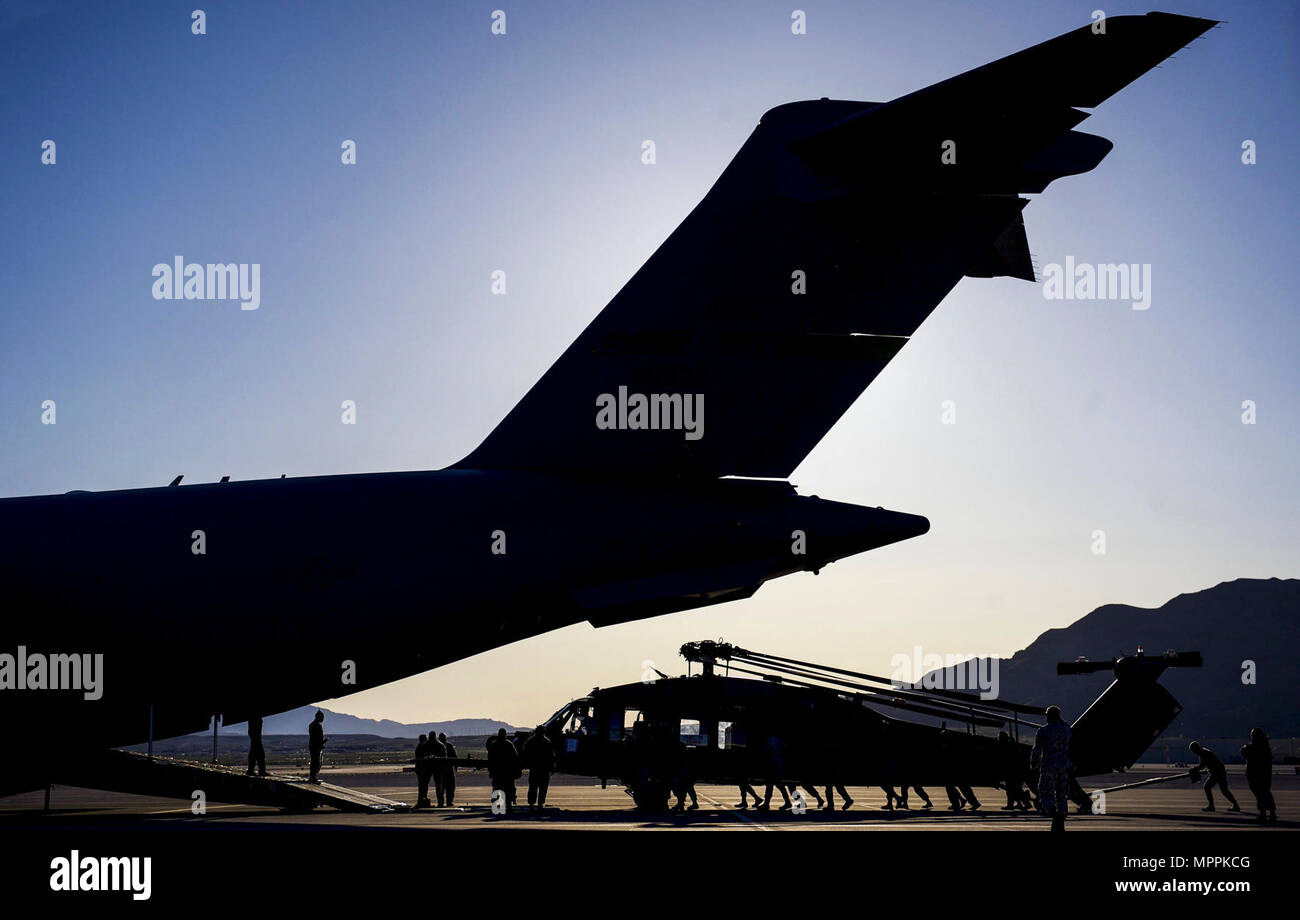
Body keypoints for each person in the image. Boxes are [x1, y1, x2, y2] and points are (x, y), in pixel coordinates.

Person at [1031, 705, 1071, 831]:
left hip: (1049, 767)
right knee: (1062, 795)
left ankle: (1055, 815)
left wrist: (1034, 763)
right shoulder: (1067, 729)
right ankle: (1060, 822)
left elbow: (1037, 749)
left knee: (1045, 793)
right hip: (1064, 767)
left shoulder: (1044, 731)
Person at [1189, 741, 1240, 813]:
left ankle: (1211, 806)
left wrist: (1194, 769)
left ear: (1195, 749)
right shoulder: (1204, 751)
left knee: (1207, 787)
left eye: (1193, 750)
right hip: (1218, 771)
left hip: (1217, 772)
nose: (1194, 752)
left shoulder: (1203, 753)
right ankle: (1235, 805)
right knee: (1224, 790)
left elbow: (1202, 766)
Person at [1241, 728, 1276, 823]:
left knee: (1261, 794)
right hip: (1260, 774)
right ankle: (1269, 813)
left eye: (1253, 735)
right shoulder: (1264, 747)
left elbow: (1245, 753)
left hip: (1257, 774)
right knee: (1264, 793)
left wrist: (1245, 748)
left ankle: (1264, 813)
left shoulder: (1256, 747)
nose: (1252, 737)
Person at [487, 728, 521, 813]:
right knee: (509, 789)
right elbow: (515, 757)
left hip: (497, 772)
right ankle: (508, 806)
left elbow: (490, 759)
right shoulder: (509, 744)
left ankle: (496, 807)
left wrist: (491, 770)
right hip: (508, 772)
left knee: (497, 789)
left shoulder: (494, 745)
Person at [522, 725, 555, 812]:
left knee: (533, 787)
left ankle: (531, 804)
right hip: (543, 769)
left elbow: (525, 753)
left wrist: (526, 764)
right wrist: (551, 767)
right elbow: (551, 756)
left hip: (535, 768)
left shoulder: (530, 741)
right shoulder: (547, 742)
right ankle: (540, 804)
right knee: (542, 788)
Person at [759, 734, 792, 811]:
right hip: (778, 762)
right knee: (778, 784)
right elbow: (786, 747)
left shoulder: (771, 740)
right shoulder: (778, 739)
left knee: (771, 784)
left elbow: (769, 751)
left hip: (773, 763)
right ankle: (786, 801)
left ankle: (767, 804)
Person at [425, 732, 448, 806]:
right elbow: (445, 757)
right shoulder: (440, 745)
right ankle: (440, 802)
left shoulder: (426, 745)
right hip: (437, 768)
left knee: (425, 785)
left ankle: (423, 799)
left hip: (429, 767)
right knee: (438, 785)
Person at [438, 732, 457, 807]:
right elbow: (455, 757)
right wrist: (455, 767)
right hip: (448, 770)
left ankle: (441, 802)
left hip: (441, 770)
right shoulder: (449, 746)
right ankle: (449, 801)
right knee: (450, 787)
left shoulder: (438, 746)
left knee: (442, 787)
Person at [307, 710, 327, 783]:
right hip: (315, 747)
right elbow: (315, 738)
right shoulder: (315, 725)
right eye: (322, 717)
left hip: (316, 746)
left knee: (316, 762)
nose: (323, 719)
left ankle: (313, 777)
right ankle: (313, 777)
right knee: (315, 762)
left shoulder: (314, 725)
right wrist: (321, 743)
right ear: (318, 717)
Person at [413, 734, 432, 808]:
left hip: (420, 768)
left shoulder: (419, 747)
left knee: (423, 785)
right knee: (423, 785)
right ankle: (421, 800)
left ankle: (422, 799)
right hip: (423, 769)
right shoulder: (422, 747)